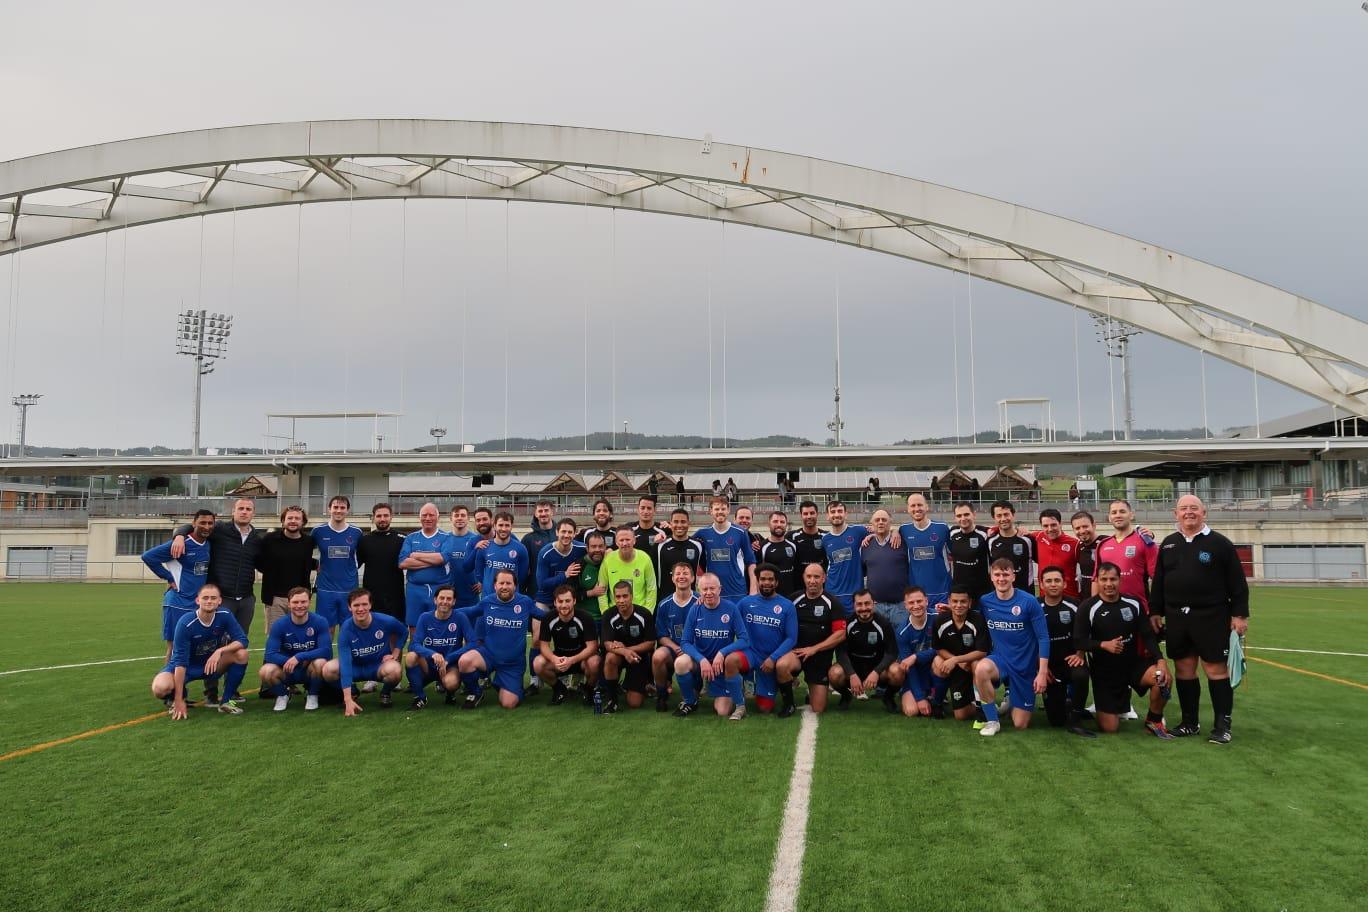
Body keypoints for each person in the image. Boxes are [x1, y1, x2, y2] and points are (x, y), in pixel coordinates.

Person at [1149, 494, 1250, 744]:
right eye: (1183, 509)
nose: (1188, 512)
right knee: (1184, 669)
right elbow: (1159, 581)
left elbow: (1238, 582)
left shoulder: (1220, 544)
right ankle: (1189, 722)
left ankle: (1222, 725)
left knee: (1215, 669)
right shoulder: (1169, 544)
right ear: (1176, 514)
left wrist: (1239, 614)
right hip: (1176, 616)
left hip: (1212, 615)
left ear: (1204, 513)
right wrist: (1155, 611)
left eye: (1194, 508)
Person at [1076, 562, 1173, 737]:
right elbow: (1078, 641)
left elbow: (1147, 635)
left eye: (1113, 579)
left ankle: (1154, 720)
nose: (1108, 584)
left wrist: (1160, 660)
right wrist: (1103, 645)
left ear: (1120, 580)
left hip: (1133, 665)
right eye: (1104, 579)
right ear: (1097, 581)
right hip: (1105, 672)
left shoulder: (1133, 603)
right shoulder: (1088, 607)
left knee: (1163, 678)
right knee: (1110, 728)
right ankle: (1111, 705)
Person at [973, 559, 1051, 737]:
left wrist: (1042, 672)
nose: (1001, 578)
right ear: (991, 577)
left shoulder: (1029, 601)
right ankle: (992, 721)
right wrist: (951, 611)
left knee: (1020, 724)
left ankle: (1012, 700)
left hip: (1024, 666)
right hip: (1000, 660)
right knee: (981, 669)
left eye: (1006, 574)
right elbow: (974, 619)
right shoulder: (985, 601)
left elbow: (1043, 637)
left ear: (1013, 577)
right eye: (997, 575)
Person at [151, 582, 250, 719]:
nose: (209, 601)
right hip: (187, 667)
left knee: (242, 654)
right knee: (160, 687)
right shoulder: (186, 623)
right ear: (198, 600)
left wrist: (219, 651)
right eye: (205, 598)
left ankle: (226, 701)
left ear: (220, 601)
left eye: (213, 598)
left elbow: (242, 640)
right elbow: (180, 663)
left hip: (211, 665)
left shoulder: (225, 615)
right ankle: (177, 698)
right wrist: (179, 699)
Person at [169, 498, 263, 636]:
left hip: (246, 599)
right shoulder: (219, 529)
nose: (244, 512)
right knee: (216, 640)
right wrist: (179, 536)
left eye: (248, 509)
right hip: (222, 598)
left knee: (240, 640)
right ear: (233, 512)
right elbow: (192, 527)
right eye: (240, 508)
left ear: (253, 513)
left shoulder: (256, 539)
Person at [455, 569, 543, 710]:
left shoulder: (525, 602)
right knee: (465, 661)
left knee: (509, 703)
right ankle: (476, 693)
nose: (504, 586)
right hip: (488, 655)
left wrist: (564, 613)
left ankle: (503, 683)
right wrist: (445, 612)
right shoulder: (487, 602)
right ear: (495, 585)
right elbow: (469, 612)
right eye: (501, 583)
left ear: (515, 585)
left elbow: (544, 617)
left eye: (508, 583)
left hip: (512, 663)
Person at [674, 572, 751, 719]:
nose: (708, 593)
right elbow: (685, 642)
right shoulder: (695, 609)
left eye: (712, 589)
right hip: (701, 662)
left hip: (720, 665)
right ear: (699, 590)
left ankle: (735, 687)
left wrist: (722, 653)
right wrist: (701, 659)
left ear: (720, 589)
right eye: (704, 589)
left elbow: (744, 639)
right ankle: (690, 701)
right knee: (680, 663)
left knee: (722, 711)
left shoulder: (731, 609)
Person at [142, 509, 215, 662]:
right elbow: (148, 557)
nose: (206, 526)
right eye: (202, 522)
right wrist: (168, 577)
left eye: (210, 523)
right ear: (194, 523)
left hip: (197, 604)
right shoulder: (182, 544)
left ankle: (181, 680)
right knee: (175, 648)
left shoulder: (208, 544)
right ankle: (168, 682)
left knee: (194, 647)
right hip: (178, 603)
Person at [323, 588, 406, 716]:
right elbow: (345, 663)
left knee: (395, 670)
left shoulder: (386, 621)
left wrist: (395, 652)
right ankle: (353, 693)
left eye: (364, 604)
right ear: (349, 607)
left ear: (370, 605)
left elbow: (403, 632)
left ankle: (385, 692)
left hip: (378, 666)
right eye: (356, 605)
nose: (360, 609)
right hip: (355, 667)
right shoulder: (346, 629)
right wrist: (347, 699)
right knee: (328, 669)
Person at [780, 563, 847, 715]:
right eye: (809, 576)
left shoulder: (833, 603)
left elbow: (840, 634)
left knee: (818, 709)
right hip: (796, 653)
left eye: (816, 577)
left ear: (824, 578)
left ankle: (813, 688)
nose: (812, 580)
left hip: (819, 657)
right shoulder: (793, 599)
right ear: (803, 578)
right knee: (782, 665)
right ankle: (789, 704)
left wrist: (814, 649)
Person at [1036, 566, 1094, 736]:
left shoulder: (1075, 605)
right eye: (1048, 581)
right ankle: (1067, 704)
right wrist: (1041, 669)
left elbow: (1086, 632)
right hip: (1048, 666)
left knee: (1081, 674)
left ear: (1064, 583)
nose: (1053, 584)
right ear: (1041, 584)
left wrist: (1080, 653)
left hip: (1071, 660)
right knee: (1056, 721)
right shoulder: (1035, 606)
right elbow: (1029, 640)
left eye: (1057, 580)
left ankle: (1076, 718)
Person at [735, 564, 799, 717]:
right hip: (752, 655)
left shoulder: (787, 606)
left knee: (764, 709)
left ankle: (785, 695)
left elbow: (792, 638)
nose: (766, 582)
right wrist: (702, 601)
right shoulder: (745, 603)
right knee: (732, 659)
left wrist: (773, 658)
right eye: (763, 579)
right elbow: (726, 613)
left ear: (776, 583)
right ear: (757, 581)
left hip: (772, 660)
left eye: (771, 579)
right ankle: (741, 688)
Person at [258, 586, 331, 712]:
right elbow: (270, 655)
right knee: (265, 671)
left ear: (310, 602)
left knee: (321, 663)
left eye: (303, 602)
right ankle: (283, 695)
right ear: (289, 604)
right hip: (287, 669)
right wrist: (290, 660)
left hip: (309, 669)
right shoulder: (279, 625)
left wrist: (299, 657)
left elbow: (326, 651)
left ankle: (312, 694)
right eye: (295, 602)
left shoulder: (320, 621)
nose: (299, 605)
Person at [829, 590, 900, 714]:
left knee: (897, 671)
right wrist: (851, 674)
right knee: (834, 673)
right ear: (854, 606)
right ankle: (846, 696)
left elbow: (892, 653)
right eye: (859, 604)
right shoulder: (848, 623)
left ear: (873, 604)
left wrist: (876, 672)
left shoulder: (884, 624)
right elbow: (840, 652)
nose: (864, 608)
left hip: (877, 669)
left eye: (867, 604)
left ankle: (888, 698)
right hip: (854, 669)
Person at [534, 583, 601, 706]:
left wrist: (572, 660)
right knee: (538, 663)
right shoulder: (548, 618)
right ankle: (559, 689)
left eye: (567, 601)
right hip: (560, 659)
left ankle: (588, 689)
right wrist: (554, 659)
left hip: (582, 660)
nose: (564, 605)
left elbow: (592, 647)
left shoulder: (585, 617)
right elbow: (544, 646)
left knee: (595, 662)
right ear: (554, 603)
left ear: (574, 601)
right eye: (560, 601)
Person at [930, 587, 990, 721]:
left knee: (977, 664)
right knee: (938, 662)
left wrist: (957, 660)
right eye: (955, 601)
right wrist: (955, 661)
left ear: (969, 603)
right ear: (949, 602)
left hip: (971, 666)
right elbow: (938, 649)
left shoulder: (978, 619)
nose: (958, 605)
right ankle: (937, 703)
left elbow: (982, 651)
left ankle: (982, 707)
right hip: (955, 667)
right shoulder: (940, 620)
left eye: (963, 601)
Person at [404, 584, 469, 708]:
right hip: (428, 665)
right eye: (442, 598)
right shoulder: (425, 617)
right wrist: (432, 654)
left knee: (451, 683)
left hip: (449, 665)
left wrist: (449, 658)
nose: (445, 602)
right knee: (411, 657)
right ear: (435, 600)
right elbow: (414, 644)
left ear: (454, 601)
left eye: (449, 599)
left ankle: (450, 694)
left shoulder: (460, 617)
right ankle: (420, 697)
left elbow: (472, 643)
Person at [599, 580, 658, 712]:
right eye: (618, 597)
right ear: (614, 598)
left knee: (634, 703)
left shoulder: (644, 614)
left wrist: (627, 650)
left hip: (638, 658)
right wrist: (624, 652)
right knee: (610, 657)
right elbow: (607, 644)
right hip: (617, 656)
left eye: (625, 596)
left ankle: (637, 685)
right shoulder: (608, 615)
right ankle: (612, 699)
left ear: (632, 596)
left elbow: (650, 643)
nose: (621, 600)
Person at [397, 502, 456, 632]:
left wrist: (416, 555)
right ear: (420, 517)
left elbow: (443, 558)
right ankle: (415, 651)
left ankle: (437, 652)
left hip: (438, 589)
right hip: (415, 590)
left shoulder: (446, 537)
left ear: (437, 517)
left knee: (438, 625)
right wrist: (432, 560)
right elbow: (402, 563)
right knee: (413, 626)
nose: (428, 518)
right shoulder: (411, 538)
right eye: (424, 515)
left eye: (431, 515)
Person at [257, 505, 315, 631]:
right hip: (275, 598)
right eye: (290, 518)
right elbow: (258, 561)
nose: (293, 521)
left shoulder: (308, 542)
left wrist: (318, 565)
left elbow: (305, 561)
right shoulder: (270, 539)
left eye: (297, 518)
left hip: (299, 598)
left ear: (303, 522)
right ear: (283, 521)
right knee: (276, 636)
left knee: (299, 636)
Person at [653, 561, 701, 712]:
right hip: (674, 649)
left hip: (695, 651)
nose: (682, 576)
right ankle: (661, 695)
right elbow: (661, 635)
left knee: (693, 697)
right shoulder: (664, 604)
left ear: (693, 578)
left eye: (686, 573)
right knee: (657, 656)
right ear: (672, 578)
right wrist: (675, 647)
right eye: (678, 574)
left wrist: (689, 649)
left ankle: (695, 691)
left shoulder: (701, 602)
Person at [311, 496, 364, 633]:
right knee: (326, 629)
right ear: (329, 509)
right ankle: (325, 655)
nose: (338, 510)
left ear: (348, 510)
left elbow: (362, 557)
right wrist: (315, 564)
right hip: (325, 589)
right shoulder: (318, 531)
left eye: (342, 507)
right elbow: (304, 553)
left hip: (349, 589)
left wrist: (349, 570)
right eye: (335, 507)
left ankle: (345, 655)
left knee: (349, 629)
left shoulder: (356, 532)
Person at [1095, 499, 1157, 611]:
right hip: (1108, 609)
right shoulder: (1103, 545)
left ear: (1131, 515)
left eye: (1122, 511)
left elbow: (1157, 579)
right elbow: (1096, 580)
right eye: (1114, 512)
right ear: (1109, 517)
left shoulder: (1146, 542)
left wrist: (1155, 610)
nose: (1118, 515)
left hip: (1138, 608)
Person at [695, 496, 756, 600]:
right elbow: (684, 542)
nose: (720, 512)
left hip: (737, 591)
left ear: (728, 510)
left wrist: (754, 590)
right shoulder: (702, 533)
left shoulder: (740, 532)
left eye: (723, 509)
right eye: (716, 509)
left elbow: (751, 563)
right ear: (711, 511)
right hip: (712, 593)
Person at [899, 493, 953, 610]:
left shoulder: (942, 528)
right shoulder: (904, 530)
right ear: (908, 509)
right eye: (913, 506)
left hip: (942, 592)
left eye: (920, 505)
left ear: (926, 507)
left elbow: (955, 554)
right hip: (917, 594)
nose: (916, 508)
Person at [358, 502, 406, 622]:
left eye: (386, 515)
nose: (382, 519)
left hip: (396, 595)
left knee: (395, 632)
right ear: (373, 517)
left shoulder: (402, 539)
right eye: (379, 516)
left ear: (391, 517)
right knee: (374, 631)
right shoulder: (364, 540)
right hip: (372, 596)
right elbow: (353, 565)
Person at [862, 508, 910, 628]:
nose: (880, 522)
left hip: (900, 606)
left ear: (890, 522)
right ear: (872, 524)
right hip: (877, 606)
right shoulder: (865, 546)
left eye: (884, 520)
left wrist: (895, 531)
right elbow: (863, 572)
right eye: (877, 520)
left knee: (900, 641)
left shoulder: (902, 542)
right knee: (878, 642)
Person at [894, 587, 937, 717]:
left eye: (919, 601)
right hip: (916, 674)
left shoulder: (938, 618)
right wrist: (919, 699)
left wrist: (916, 657)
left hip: (935, 669)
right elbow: (909, 667)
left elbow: (943, 649)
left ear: (926, 601)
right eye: (911, 603)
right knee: (912, 711)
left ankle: (938, 696)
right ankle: (921, 695)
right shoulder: (902, 632)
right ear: (905, 605)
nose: (916, 606)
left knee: (940, 660)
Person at [466, 511, 529, 594]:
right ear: (494, 526)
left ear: (511, 527)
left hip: (511, 597)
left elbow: (522, 576)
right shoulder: (484, 547)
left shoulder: (521, 548)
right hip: (489, 596)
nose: (503, 529)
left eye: (507, 525)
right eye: (500, 525)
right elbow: (479, 573)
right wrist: (488, 585)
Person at [599, 526, 657, 612]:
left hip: (639, 611)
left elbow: (651, 589)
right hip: (615, 612)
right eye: (621, 540)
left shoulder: (645, 558)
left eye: (628, 539)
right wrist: (606, 613)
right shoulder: (608, 560)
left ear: (634, 540)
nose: (625, 543)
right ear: (616, 542)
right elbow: (602, 590)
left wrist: (647, 613)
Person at [987, 500, 1036, 595]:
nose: (1003, 519)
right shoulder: (990, 541)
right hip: (1000, 594)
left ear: (1013, 515)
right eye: (999, 516)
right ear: (994, 518)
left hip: (1025, 593)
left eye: (1006, 514)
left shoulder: (1028, 540)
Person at [535, 519, 586, 611]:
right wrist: (565, 575)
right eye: (563, 531)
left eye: (570, 532)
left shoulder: (582, 548)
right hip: (546, 599)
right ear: (557, 532)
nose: (566, 535)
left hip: (568, 600)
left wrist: (607, 552)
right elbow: (542, 584)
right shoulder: (545, 553)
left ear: (575, 534)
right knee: (539, 620)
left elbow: (596, 550)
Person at [1028, 508, 1080, 599]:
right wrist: (997, 529)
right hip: (1045, 598)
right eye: (1045, 526)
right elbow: (1015, 533)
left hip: (1069, 597)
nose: (1050, 529)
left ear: (1060, 524)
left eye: (1053, 525)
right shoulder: (1038, 537)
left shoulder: (1074, 544)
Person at [947, 501, 991, 599]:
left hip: (982, 592)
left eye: (966, 514)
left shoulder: (985, 534)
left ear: (974, 514)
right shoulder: (952, 533)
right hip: (959, 592)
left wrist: (1019, 530)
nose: (963, 518)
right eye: (959, 515)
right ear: (955, 518)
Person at [654, 507, 704, 593]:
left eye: (683, 522)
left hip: (690, 600)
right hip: (665, 599)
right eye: (676, 522)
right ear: (671, 524)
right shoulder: (660, 545)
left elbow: (706, 570)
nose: (679, 525)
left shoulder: (698, 545)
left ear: (689, 524)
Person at [520, 499, 558, 600]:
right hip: (536, 592)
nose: (543, 514)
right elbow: (522, 568)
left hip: (560, 591)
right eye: (540, 511)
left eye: (546, 510)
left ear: (552, 512)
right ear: (536, 514)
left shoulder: (561, 535)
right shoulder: (528, 539)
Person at [447, 504, 481, 607]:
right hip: (449, 595)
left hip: (471, 594)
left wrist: (483, 582)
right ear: (451, 518)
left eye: (463, 515)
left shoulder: (477, 539)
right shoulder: (444, 539)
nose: (460, 518)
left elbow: (488, 562)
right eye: (456, 515)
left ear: (468, 518)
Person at [758, 511, 800, 597]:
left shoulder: (793, 545)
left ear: (786, 525)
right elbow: (757, 573)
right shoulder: (762, 547)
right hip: (770, 596)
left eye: (782, 522)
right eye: (775, 521)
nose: (779, 524)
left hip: (791, 595)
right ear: (769, 524)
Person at [574, 530, 610, 621]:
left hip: (608, 616)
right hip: (586, 618)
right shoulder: (579, 566)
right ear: (587, 548)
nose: (597, 550)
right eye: (593, 547)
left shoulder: (611, 563)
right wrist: (591, 593)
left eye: (600, 546)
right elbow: (571, 595)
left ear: (605, 547)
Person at [786, 500, 827, 576]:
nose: (809, 516)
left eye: (812, 513)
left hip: (821, 584)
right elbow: (775, 541)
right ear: (801, 515)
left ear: (817, 514)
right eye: (805, 514)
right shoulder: (791, 536)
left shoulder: (826, 536)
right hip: (798, 585)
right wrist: (756, 542)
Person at [1071, 510, 1103, 597]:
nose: (1082, 531)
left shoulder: (1105, 542)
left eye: (1085, 526)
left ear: (1094, 525)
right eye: (1077, 528)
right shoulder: (1078, 546)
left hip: (1103, 595)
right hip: (1084, 596)